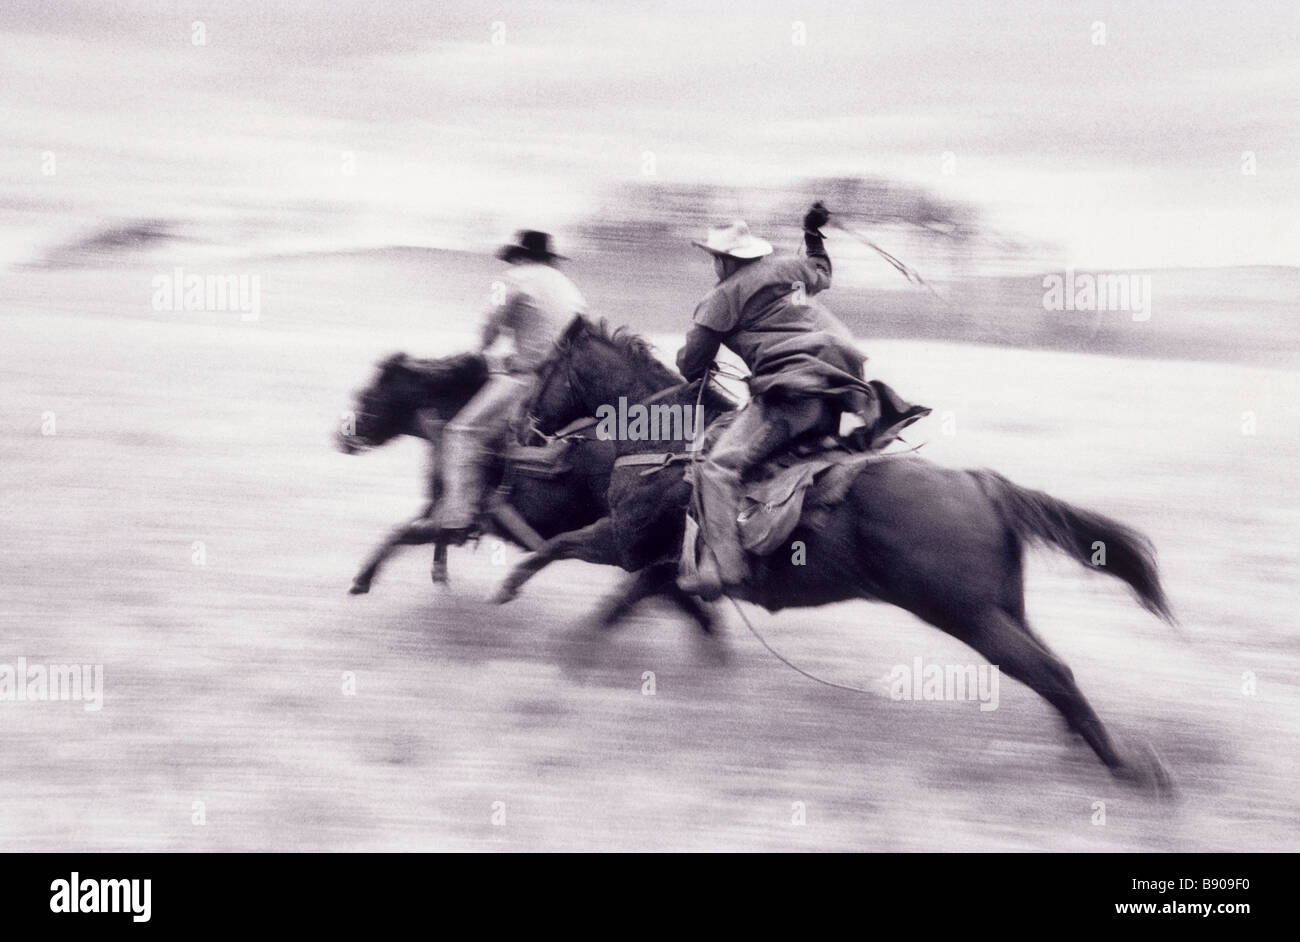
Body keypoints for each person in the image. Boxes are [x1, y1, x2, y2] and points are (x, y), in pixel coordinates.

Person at [675, 202, 871, 600]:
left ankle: (726, 570)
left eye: (716, 258)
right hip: (836, 393)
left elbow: (692, 362)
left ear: (724, 260)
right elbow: (823, 272)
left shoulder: (721, 297)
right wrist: (813, 233)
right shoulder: (789, 268)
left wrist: (694, 361)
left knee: (717, 468)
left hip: (791, 398)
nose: (715, 265)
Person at [437, 230, 586, 544]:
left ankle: (458, 517)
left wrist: (484, 352)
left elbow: (489, 329)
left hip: (534, 381)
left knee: (460, 432)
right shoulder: (566, 284)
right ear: (548, 258)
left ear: (518, 257)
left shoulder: (513, 278)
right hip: (575, 380)